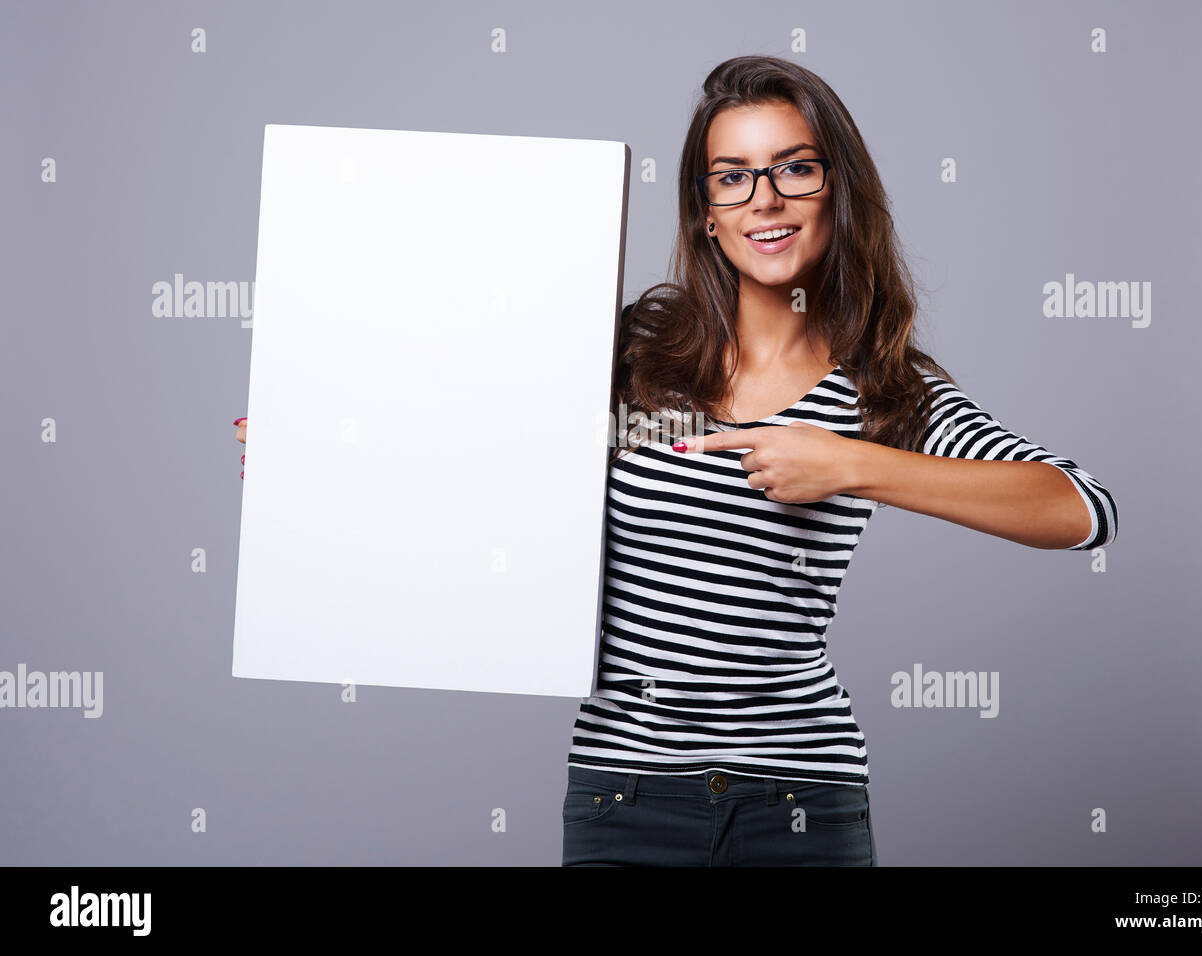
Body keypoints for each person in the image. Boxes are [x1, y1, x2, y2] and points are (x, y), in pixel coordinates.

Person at [235, 54, 1118, 867]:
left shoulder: (883, 388)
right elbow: (473, 446)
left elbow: (1079, 510)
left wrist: (847, 463)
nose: (763, 200)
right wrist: (310, 459)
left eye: (794, 168)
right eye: (733, 178)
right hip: (624, 793)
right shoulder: (628, 352)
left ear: (836, 189)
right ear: (705, 209)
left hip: (800, 798)